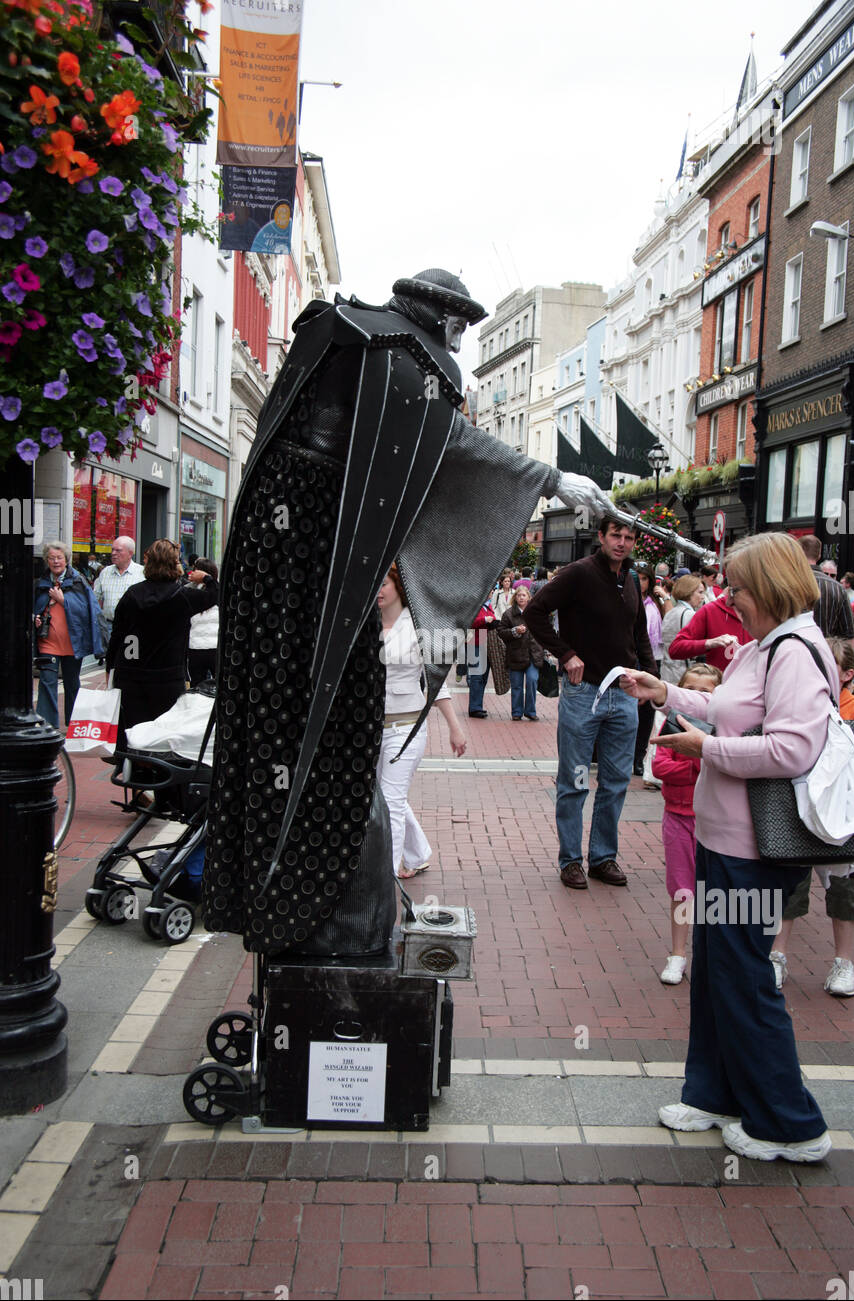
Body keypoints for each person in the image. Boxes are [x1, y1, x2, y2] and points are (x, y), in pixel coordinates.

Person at [201, 267, 610, 954]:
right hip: (319, 555)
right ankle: (315, 900)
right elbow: (450, 443)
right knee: (330, 723)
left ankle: (288, 893)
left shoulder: (345, 331)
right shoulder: (401, 355)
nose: (461, 342)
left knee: (288, 712)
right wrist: (550, 478)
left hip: (285, 553)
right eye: (462, 327)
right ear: (445, 319)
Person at [621, 530, 834, 1162]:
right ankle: (712, 1092)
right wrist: (665, 693)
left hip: (752, 851)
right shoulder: (767, 646)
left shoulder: (793, 650)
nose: (728, 597)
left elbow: (792, 749)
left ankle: (790, 1124)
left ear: (768, 585)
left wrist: (704, 749)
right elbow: (729, 708)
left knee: (743, 979)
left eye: (736, 586)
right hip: (726, 841)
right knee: (718, 974)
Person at [523, 516, 656, 890]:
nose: (622, 543)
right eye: (616, 535)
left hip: (624, 694)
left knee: (615, 781)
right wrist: (565, 654)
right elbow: (534, 612)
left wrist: (649, 676)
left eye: (629, 537)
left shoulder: (629, 580)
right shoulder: (578, 573)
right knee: (576, 780)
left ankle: (602, 857)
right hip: (585, 694)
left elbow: (638, 633)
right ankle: (571, 860)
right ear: (600, 536)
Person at [769, 635, 854, 999]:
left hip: (842, 814)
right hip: (800, 806)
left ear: (845, 674)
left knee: (844, 887)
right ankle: (777, 954)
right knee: (791, 883)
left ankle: (844, 962)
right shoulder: (795, 705)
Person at [377, 564, 466, 878]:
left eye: (384, 583)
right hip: (373, 730)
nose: (378, 590)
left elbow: (436, 682)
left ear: (399, 586)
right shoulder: (365, 625)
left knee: (390, 799)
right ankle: (418, 854)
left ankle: (384, 877)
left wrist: (455, 728)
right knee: (386, 794)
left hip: (408, 728)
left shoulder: (418, 628)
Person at [106, 540, 218, 748]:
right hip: (167, 677)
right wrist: (208, 578)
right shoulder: (183, 596)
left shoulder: (132, 594)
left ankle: (132, 769)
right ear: (174, 564)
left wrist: (110, 668)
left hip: (131, 675)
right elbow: (217, 595)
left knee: (133, 732)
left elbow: (117, 635)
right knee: (164, 736)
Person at [651, 664, 722, 984]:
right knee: (681, 890)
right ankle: (677, 954)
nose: (696, 696)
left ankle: (711, 956)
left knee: (716, 892)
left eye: (705, 691)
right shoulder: (670, 724)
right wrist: (699, 763)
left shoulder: (721, 727)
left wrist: (704, 753)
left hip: (714, 821)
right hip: (677, 818)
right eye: (690, 689)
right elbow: (661, 767)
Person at [34, 542, 103, 729]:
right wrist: (35, 619)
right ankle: (49, 727)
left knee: (72, 684)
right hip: (47, 643)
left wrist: (63, 601)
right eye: (52, 558)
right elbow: (33, 608)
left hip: (73, 643)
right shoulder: (40, 582)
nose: (56, 562)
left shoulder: (78, 581)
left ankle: (73, 726)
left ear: (66, 560)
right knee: (47, 682)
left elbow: (87, 611)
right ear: (46, 560)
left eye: (59, 558)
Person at [668, 582, 751, 675]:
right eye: (700, 592)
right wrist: (709, 643)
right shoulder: (711, 610)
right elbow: (675, 649)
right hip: (719, 685)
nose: (703, 597)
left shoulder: (767, 611)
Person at [632, 562, 666, 784]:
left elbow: (667, 629)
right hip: (629, 659)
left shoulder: (653, 605)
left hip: (651, 660)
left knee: (645, 713)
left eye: (645, 579)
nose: (640, 583)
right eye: (638, 578)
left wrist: (665, 598)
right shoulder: (625, 600)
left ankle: (638, 756)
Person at [92, 536, 145, 652]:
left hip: (132, 629)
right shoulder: (105, 572)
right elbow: (95, 599)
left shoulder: (142, 573)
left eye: (118, 550)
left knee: (130, 661)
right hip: (109, 627)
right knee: (111, 663)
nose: (113, 553)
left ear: (130, 553)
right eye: (112, 550)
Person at [499, 584, 543, 720]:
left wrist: (545, 649)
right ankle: (517, 712)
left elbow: (544, 631)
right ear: (515, 597)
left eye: (524, 595)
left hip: (533, 654)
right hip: (515, 654)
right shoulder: (509, 614)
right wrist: (514, 631)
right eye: (518, 595)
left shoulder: (536, 612)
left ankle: (530, 711)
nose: (521, 597)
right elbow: (501, 631)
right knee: (516, 685)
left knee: (532, 680)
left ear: (529, 597)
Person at [797, 534, 854, 639]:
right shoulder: (838, 589)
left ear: (797, 552)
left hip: (791, 651)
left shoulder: (785, 583)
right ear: (819, 555)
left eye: (833, 575)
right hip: (825, 650)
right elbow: (849, 633)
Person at [659, 573, 706, 686]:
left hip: (667, 672)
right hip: (681, 675)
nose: (702, 597)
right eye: (700, 592)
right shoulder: (689, 614)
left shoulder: (672, 612)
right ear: (688, 591)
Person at [186, 557, 220, 686]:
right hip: (215, 648)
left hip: (195, 648)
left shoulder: (190, 591)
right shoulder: (218, 592)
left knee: (197, 687)